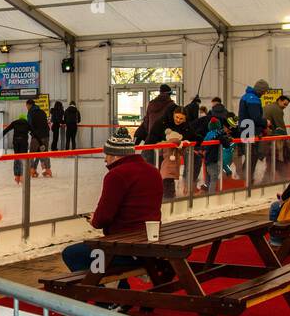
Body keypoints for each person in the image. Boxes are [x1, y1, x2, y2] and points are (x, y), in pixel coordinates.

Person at [61, 128, 162, 274]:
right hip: (150, 243)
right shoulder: (153, 171)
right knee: (99, 255)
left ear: (115, 156)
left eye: (107, 154)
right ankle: (121, 288)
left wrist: (94, 219)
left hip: (124, 248)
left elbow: (103, 218)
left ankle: (98, 291)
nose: (105, 159)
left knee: (72, 254)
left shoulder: (116, 175)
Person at [159, 109, 188, 199]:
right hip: (171, 170)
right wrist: (183, 143)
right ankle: (170, 198)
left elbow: (160, 152)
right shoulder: (176, 144)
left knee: (167, 185)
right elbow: (181, 151)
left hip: (165, 169)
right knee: (169, 186)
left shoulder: (166, 144)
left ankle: (168, 197)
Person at [200, 114, 231, 192]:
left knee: (209, 179)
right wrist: (228, 140)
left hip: (207, 160)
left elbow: (203, 145)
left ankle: (207, 192)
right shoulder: (218, 134)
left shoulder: (208, 135)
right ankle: (211, 195)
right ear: (219, 126)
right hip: (213, 160)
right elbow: (226, 144)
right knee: (214, 178)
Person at [0, 112, 31, 184]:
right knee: (23, 159)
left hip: (16, 142)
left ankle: (17, 176)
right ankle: (22, 176)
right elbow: (33, 132)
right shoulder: (27, 123)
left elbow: (6, 129)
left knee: (16, 158)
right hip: (23, 143)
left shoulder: (15, 122)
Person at [25, 98, 52, 178]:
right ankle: (48, 170)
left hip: (36, 137)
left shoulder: (30, 113)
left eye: (26, 106)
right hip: (46, 135)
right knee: (44, 153)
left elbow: (29, 124)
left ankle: (32, 170)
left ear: (29, 105)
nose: (26, 107)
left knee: (32, 154)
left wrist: (28, 131)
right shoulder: (42, 112)